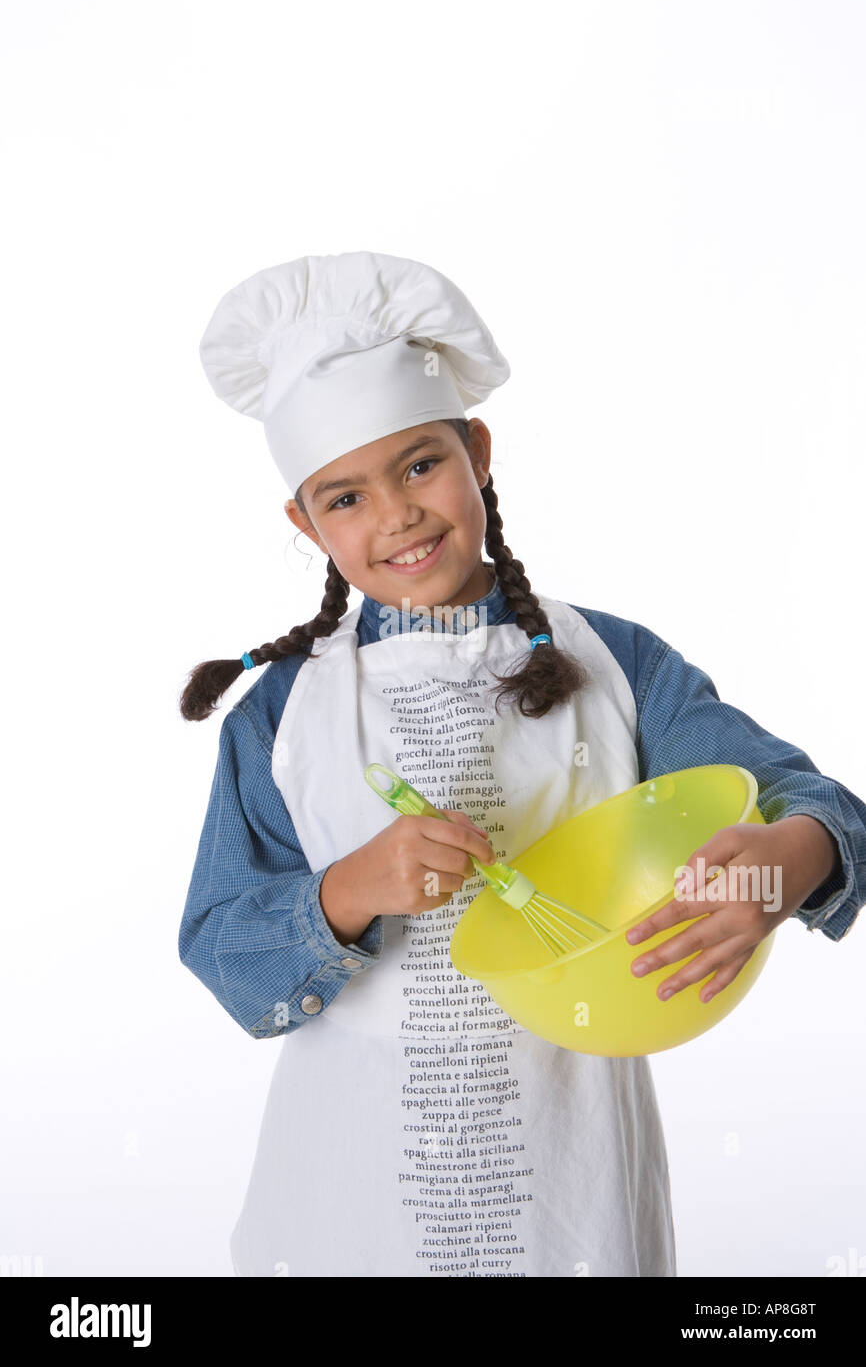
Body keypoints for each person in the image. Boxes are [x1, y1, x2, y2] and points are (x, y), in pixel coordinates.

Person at [178, 251, 866, 1278]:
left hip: (570, 1192)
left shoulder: (614, 665)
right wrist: (348, 891)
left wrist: (781, 867)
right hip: (348, 1200)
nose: (398, 515)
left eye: (419, 465)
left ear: (477, 451)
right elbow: (220, 946)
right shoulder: (279, 714)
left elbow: (813, 807)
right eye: (346, 497)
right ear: (305, 522)